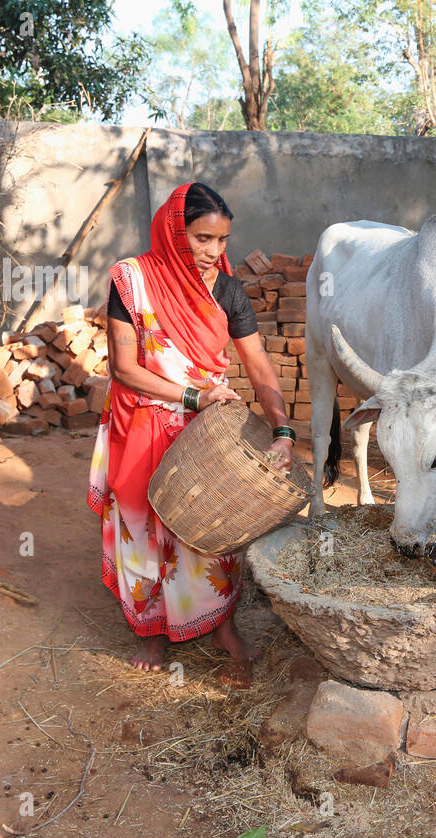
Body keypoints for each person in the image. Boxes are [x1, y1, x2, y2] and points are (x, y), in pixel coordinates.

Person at [86, 182, 295, 674]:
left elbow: (260, 367)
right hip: (143, 420)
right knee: (142, 525)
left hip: (206, 433)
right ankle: (152, 632)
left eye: (222, 241)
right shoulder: (131, 282)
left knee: (211, 526)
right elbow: (122, 367)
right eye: (203, 238)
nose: (214, 252)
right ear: (175, 230)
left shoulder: (226, 290)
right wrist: (190, 396)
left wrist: (282, 431)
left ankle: (221, 626)